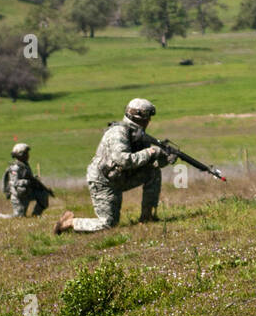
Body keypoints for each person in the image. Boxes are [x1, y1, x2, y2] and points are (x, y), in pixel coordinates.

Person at [54, 98, 174, 233]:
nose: (149, 121)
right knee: (108, 225)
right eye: (148, 117)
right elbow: (124, 160)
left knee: (153, 171)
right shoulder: (118, 132)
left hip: (119, 178)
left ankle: (147, 217)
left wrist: (164, 159)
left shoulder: (138, 135)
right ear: (139, 117)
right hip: (103, 182)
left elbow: (147, 162)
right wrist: (151, 151)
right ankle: (69, 222)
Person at [0, 142, 49, 218]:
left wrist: (34, 179)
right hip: (18, 196)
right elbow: (15, 183)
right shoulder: (15, 168)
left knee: (43, 195)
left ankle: (36, 215)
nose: (28, 155)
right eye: (26, 153)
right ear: (20, 155)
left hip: (27, 192)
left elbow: (27, 177)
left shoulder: (25, 165)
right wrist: (27, 182)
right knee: (19, 217)